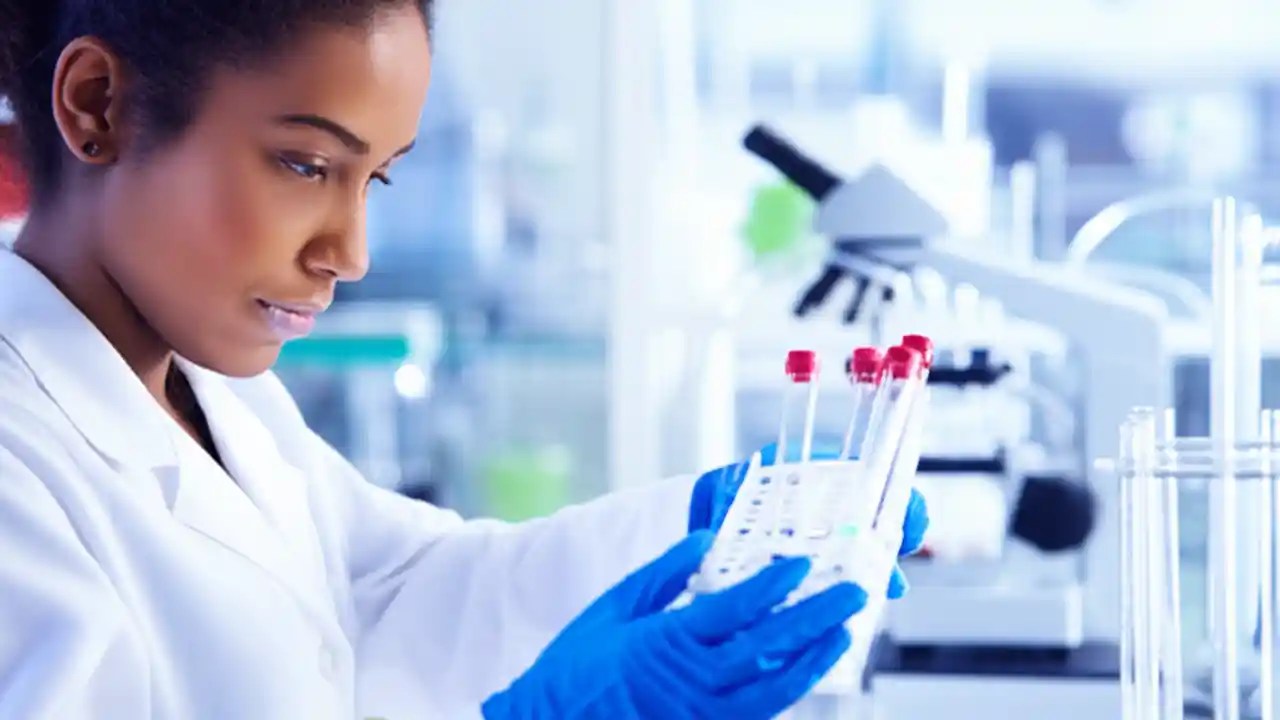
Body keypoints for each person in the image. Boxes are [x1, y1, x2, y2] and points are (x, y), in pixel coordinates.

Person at [0, 1, 929, 718]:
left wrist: (699, 534)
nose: (351, 253)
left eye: (377, 176)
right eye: (305, 164)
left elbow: (394, 592)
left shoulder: (214, 399)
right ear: (97, 106)